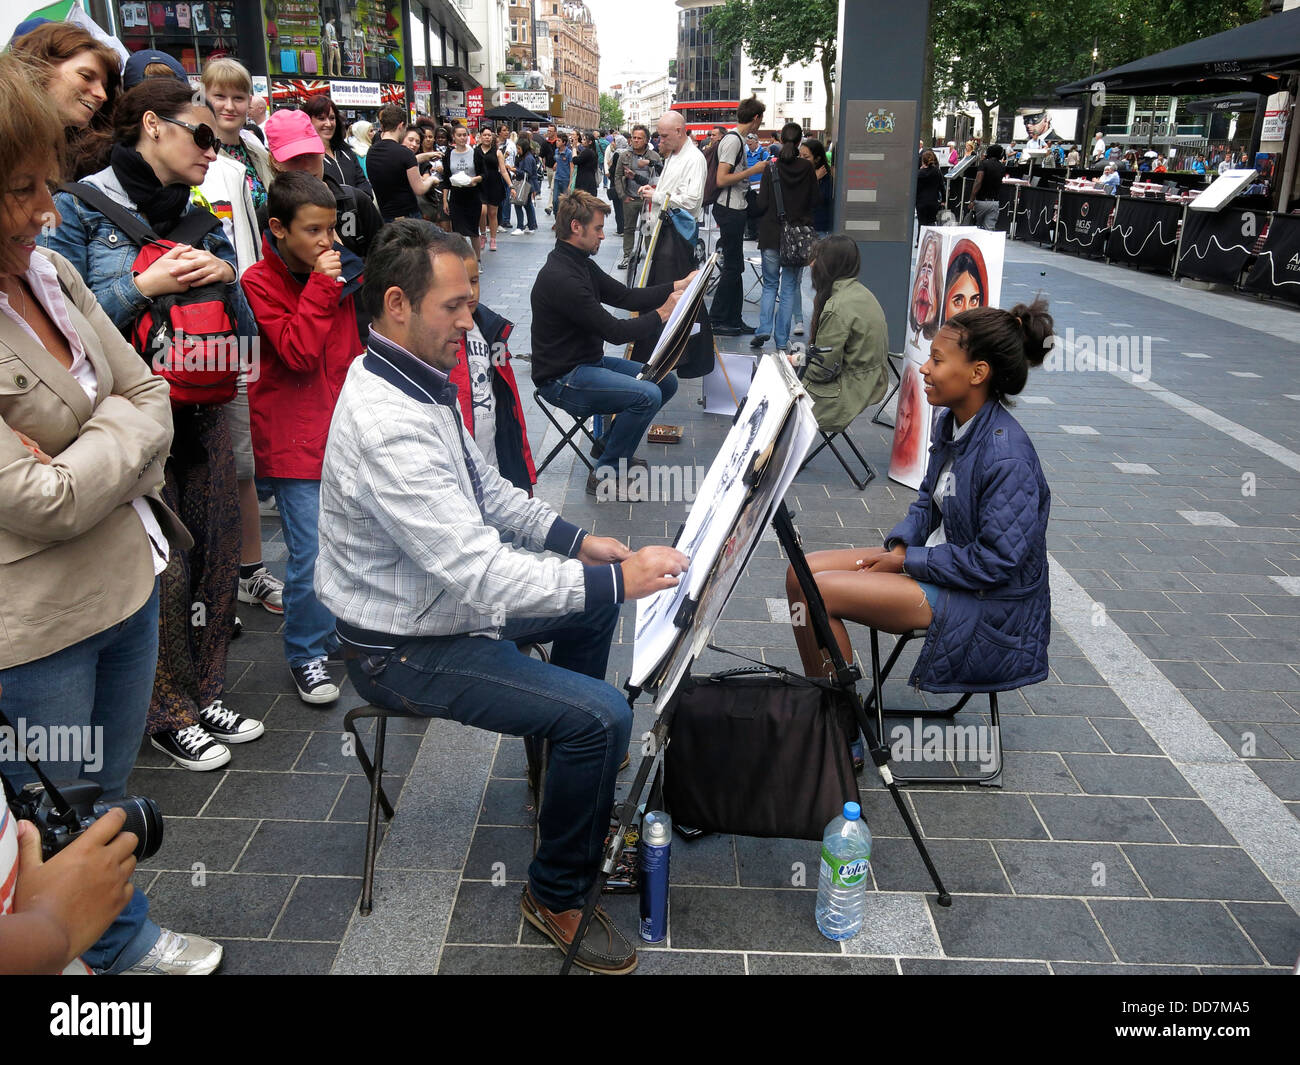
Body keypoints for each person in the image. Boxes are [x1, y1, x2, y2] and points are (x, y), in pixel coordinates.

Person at [316, 220, 688, 973]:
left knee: (593, 609)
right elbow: (480, 572)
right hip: (400, 646)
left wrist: (578, 542)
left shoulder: (412, 374)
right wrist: (617, 574)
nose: (471, 322)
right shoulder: (390, 420)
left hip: (436, 604)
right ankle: (554, 890)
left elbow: (487, 491)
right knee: (604, 712)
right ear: (396, 303)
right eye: (454, 306)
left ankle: (562, 776)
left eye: (472, 300)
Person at [2, 58, 222, 973]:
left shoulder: (49, 270)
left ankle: (104, 937)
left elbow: (148, 390)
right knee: (57, 804)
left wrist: (99, 435)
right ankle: (108, 951)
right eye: (20, 189)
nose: (45, 210)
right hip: (38, 621)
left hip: (128, 578)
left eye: (44, 184)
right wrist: (125, 430)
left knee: (107, 787)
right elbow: (33, 499)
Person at [45, 76, 264, 772]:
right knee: (163, 568)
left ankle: (207, 691)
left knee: (217, 555)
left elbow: (241, 302)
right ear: (152, 126)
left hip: (205, 404)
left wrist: (220, 270)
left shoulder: (199, 205)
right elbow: (65, 332)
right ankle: (168, 712)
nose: (215, 143)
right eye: (201, 132)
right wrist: (143, 286)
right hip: (131, 419)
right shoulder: (77, 208)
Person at [786, 298, 1053, 706]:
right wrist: (899, 546)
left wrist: (908, 561)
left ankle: (844, 726)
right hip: (942, 566)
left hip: (985, 601)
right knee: (798, 574)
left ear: (978, 373)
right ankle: (822, 696)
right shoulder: (955, 421)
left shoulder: (1007, 456)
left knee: (818, 593)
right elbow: (928, 500)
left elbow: (995, 563)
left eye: (938, 360)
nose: (924, 369)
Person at [242, 172, 363, 703]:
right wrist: (322, 286)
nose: (326, 241)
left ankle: (341, 629)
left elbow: (354, 349)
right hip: (293, 441)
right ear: (278, 229)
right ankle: (306, 652)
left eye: (331, 227)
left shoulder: (338, 270)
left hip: (343, 429)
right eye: (313, 230)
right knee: (311, 551)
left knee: (352, 541)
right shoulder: (256, 282)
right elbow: (296, 352)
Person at [198, 57, 286, 622]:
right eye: (219, 96)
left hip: (247, 308)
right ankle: (215, 581)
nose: (229, 106)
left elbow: (258, 234)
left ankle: (247, 571)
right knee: (212, 460)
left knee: (243, 456)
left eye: (239, 96)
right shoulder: (203, 160)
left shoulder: (252, 154)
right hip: (199, 325)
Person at [531, 191, 687, 500]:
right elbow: (615, 331)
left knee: (665, 380)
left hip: (588, 364)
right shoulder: (563, 277)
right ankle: (606, 473)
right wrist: (664, 312)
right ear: (577, 227)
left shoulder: (579, 264)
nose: (603, 235)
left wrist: (676, 286)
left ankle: (612, 449)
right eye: (598, 229)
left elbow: (625, 297)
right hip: (562, 378)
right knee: (646, 395)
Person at [447, 237, 536, 491]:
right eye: (461, 284)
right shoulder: (436, 339)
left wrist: (524, 473)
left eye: (474, 281)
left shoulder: (491, 330)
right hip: (454, 479)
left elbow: (510, 406)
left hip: (492, 471)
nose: (471, 292)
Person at [632, 111, 713, 379]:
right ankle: (661, 352)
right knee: (665, 289)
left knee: (673, 290)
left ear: (680, 131)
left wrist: (658, 195)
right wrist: (655, 192)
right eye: (659, 135)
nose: (660, 140)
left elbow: (692, 201)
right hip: (665, 231)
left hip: (677, 235)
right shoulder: (675, 156)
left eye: (664, 136)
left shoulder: (694, 159)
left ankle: (676, 354)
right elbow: (673, 193)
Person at [7, 21, 119, 181]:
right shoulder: (9, 140)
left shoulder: (74, 156)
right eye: (86, 76)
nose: (102, 95)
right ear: (41, 66)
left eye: (104, 86)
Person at [799, 236, 889, 434]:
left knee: (776, 398)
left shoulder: (837, 306)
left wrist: (797, 369)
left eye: (816, 258)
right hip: (870, 380)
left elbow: (822, 370)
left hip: (849, 391)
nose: (811, 264)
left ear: (827, 264)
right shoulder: (860, 292)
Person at [751, 121, 817, 354]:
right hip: (797, 237)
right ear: (800, 142)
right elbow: (813, 201)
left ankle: (763, 328)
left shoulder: (771, 168)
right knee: (788, 288)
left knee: (770, 285)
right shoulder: (807, 169)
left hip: (771, 234)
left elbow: (762, 203)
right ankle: (781, 340)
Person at [709, 97, 767, 337]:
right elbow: (721, 179)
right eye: (760, 119)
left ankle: (733, 318)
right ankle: (719, 318)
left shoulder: (736, 140)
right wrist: (753, 171)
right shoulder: (734, 141)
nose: (760, 124)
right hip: (730, 209)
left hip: (734, 208)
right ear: (755, 118)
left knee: (736, 266)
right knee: (732, 267)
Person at [368, 103, 438, 222]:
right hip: (407, 216)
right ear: (401, 125)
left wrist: (425, 156)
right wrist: (432, 180)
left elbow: (395, 163)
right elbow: (419, 189)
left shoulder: (371, 151)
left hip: (385, 216)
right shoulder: (405, 153)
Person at [301, 93, 374, 202]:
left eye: (332, 118)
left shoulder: (346, 151)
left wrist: (360, 202)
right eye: (321, 118)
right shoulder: (307, 157)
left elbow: (362, 182)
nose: (328, 124)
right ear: (308, 121)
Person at [796, 137, 835, 335]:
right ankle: (798, 319)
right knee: (796, 277)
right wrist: (814, 179)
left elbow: (822, 199)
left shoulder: (827, 176)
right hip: (802, 230)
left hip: (820, 227)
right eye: (800, 155)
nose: (802, 159)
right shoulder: (803, 173)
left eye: (806, 156)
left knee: (821, 276)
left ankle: (820, 317)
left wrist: (817, 180)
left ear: (818, 158)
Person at [613, 124, 661, 268]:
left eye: (639, 138)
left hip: (648, 200)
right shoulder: (625, 155)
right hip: (630, 198)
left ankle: (649, 257)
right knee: (628, 228)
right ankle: (627, 256)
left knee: (648, 228)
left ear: (646, 140)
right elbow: (617, 176)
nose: (635, 140)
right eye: (634, 137)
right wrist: (623, 196)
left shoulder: (654, 156)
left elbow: (659, 178)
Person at [441, 123, 484, 250]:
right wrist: (445, 200)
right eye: (459, 135)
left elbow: (484, 174)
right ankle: (463, 260)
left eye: (465, 135)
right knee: (458, 232)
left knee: (473, 231)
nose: (462, 138)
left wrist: (474, 179)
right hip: (456, 196)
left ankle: (477, 261)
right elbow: (446, 178)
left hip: (472, 195)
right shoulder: (449, 154)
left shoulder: (475, 152)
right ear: (453, 137)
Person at [476, 127, 511, 251]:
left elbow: (503, 170)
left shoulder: (497, 152)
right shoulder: (475, 151)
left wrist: (510, 185)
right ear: (480, 136)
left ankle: (493, 239)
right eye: (484, 135)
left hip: (494, 183)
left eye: (489, 135)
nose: (487, 137)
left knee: (492, 213)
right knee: (482, 211)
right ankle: (483, 235)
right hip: (480, 183)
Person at [967, 143, 1005, 231]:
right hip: (994, 202)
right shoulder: (1002, 166)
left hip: (981, 200)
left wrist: (972, 199)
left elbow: (978, 182)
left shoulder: (984, 164)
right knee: (989, 230)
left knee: (976, 228)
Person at [510, 136, 540, 234]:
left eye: (519, 148)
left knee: (518, 205)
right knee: (528, 205)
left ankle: (520, 227)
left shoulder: (527, 158)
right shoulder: (527, 157)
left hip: (524, 184)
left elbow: (527, 173)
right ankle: (531, 226)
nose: (517, 151)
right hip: (528, 184)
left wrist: (516, 170)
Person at [743, 130, 769, 240]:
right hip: (749, 187)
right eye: (747, 144)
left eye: (750, 144)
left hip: (760, 187)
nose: (749, 146)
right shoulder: (747, 154)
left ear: (756, 142)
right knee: (750, 211)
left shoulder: (763, 153)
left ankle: (760, 234)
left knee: (760, 211)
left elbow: (768, 168)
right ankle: (751, 233)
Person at [916, 148, 943, 231]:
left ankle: (919, 241)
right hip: (933, 201)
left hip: (921, 202)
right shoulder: (937, 171)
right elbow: (941, 186)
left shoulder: (919, 173)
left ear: (923, 161)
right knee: (931, 222)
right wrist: (943, 200)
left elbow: (917, 188)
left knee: (921, 223)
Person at [550, 131, 574, 215]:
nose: (557, 142)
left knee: (565, 203)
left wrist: (570, 183)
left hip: (565, 180)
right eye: (557, 140)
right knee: (555, 201)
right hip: (557, 178)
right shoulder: (556, 151)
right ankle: (557, 219)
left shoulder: (569, 153)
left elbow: (571, 168)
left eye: (559, 141)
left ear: (564, 142)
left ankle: (563, 221)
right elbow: (557, 159)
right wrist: (556, 164)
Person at [574, 130, 600, 195]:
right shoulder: (592, 151)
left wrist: (574, 148)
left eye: (584, 140)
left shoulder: (588, 152)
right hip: (589, 181)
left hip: (585, 182)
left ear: (590, 142)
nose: (582, 141)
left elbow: (575, 160)